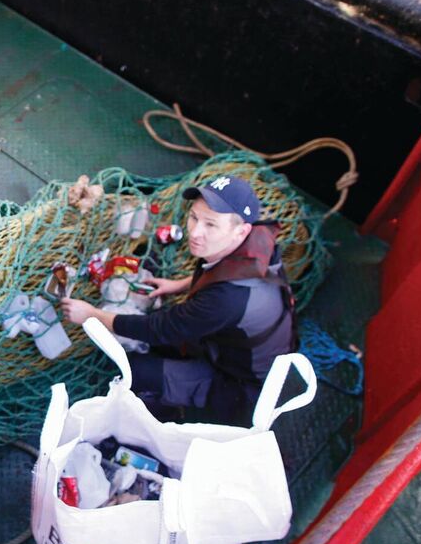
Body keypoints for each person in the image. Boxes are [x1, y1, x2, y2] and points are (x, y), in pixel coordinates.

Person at [60, 175, 296, 425]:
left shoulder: (226, 300)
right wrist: (178, 285)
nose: (195, 232)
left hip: (238, 382)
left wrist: (91, 314)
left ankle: (170, 413)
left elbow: (159, 329)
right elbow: (222, 269)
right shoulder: (256, 240)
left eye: (211, 225)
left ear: (241, 231)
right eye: (194, 217)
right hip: (231, 340)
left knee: (134, 370)